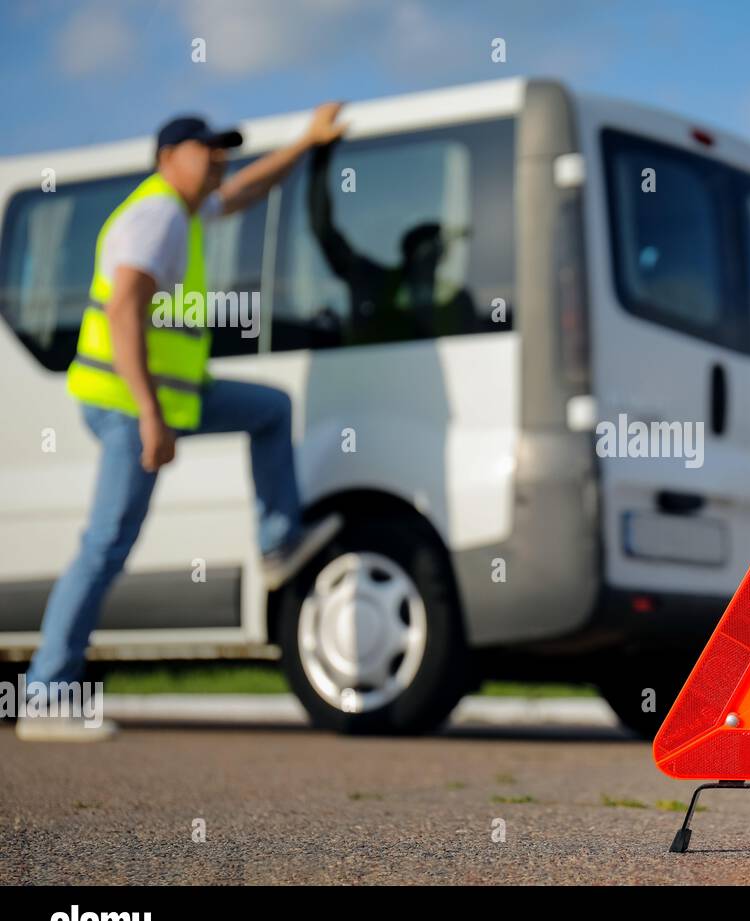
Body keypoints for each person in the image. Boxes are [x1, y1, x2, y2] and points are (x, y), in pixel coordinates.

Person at [17, 104, 350, 742]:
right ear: (169, 157)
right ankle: (45, 697)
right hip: (127, 403)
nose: (219, 158)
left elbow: (247, 190)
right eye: (207, 149)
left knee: (270, 410)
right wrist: (149, 417)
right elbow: (122, 312)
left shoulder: (186, 211)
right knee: (104, 546)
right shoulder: (157, 215)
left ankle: (279, 542)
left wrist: (306, 141)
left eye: (223, 150)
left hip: (169, 398)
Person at [306, 137, 478, 345]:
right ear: (409, 252)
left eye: (437, 246)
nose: (432, 253)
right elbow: (325, 232)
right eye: (428, 246)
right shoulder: (371, 281)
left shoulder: (458, 300)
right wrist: (321, 157)